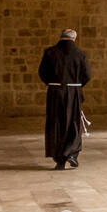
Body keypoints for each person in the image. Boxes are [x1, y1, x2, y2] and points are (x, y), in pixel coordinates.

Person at [37, 28, 92, 170]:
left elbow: (42, 73)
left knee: (56, 124)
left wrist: (53, 83)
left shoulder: (50, 52)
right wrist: (77, 86)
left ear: (61, 37)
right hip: (73, 92)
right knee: (73, 122)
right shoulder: (80, 54)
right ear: (74, 38)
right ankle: (72, 154)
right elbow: (87, 74)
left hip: (55, 92)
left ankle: (59, 160)